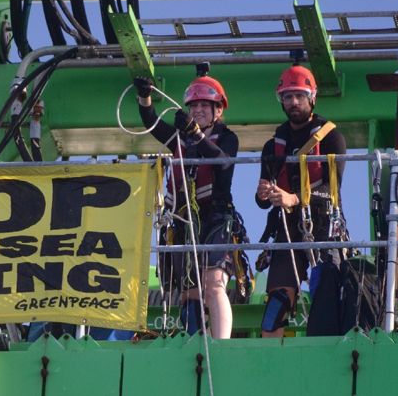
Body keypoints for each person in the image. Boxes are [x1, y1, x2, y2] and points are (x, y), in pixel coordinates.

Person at [133, 73, 244, 339]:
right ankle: (192, 340)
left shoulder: (227, 138)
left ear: (218, 110)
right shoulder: (179, 140)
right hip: (185, 220)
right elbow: (151, 121)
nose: (198, 110)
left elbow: (223, 162)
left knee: (214, 283)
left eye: (205, 105)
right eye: (194, 106)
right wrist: (145, 95)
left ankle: (220, 345)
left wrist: (195, 133)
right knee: (189, 289)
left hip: (216, 217)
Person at [254, 65, 347, 338]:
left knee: (326, 297)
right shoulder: (273, 146)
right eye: (287, 96)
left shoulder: (332, 138)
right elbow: (262, 203)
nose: (293, 102)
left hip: (323, 225)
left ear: (312, 97)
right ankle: (272, 366)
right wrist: (263, 194)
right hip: (286, 228)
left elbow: (332, 191)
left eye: (299, 95)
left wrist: (294, 198)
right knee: (275, 308)